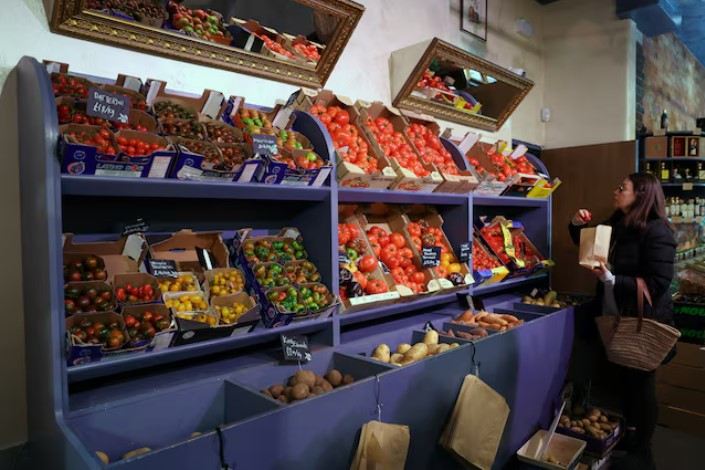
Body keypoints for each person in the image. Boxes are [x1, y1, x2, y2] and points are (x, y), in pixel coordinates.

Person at [569, 173, 677, 470]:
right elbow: (590, 245)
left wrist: (612, 279)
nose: (616, 191)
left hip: (643, 318)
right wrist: (577, 225)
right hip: (616, 313)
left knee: (642, 381)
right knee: (624, 378)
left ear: (641, 195)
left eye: (623, 188)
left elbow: (658, 283)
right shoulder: (618, 223)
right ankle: (629, 432)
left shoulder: (658, 233)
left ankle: (642, 446)